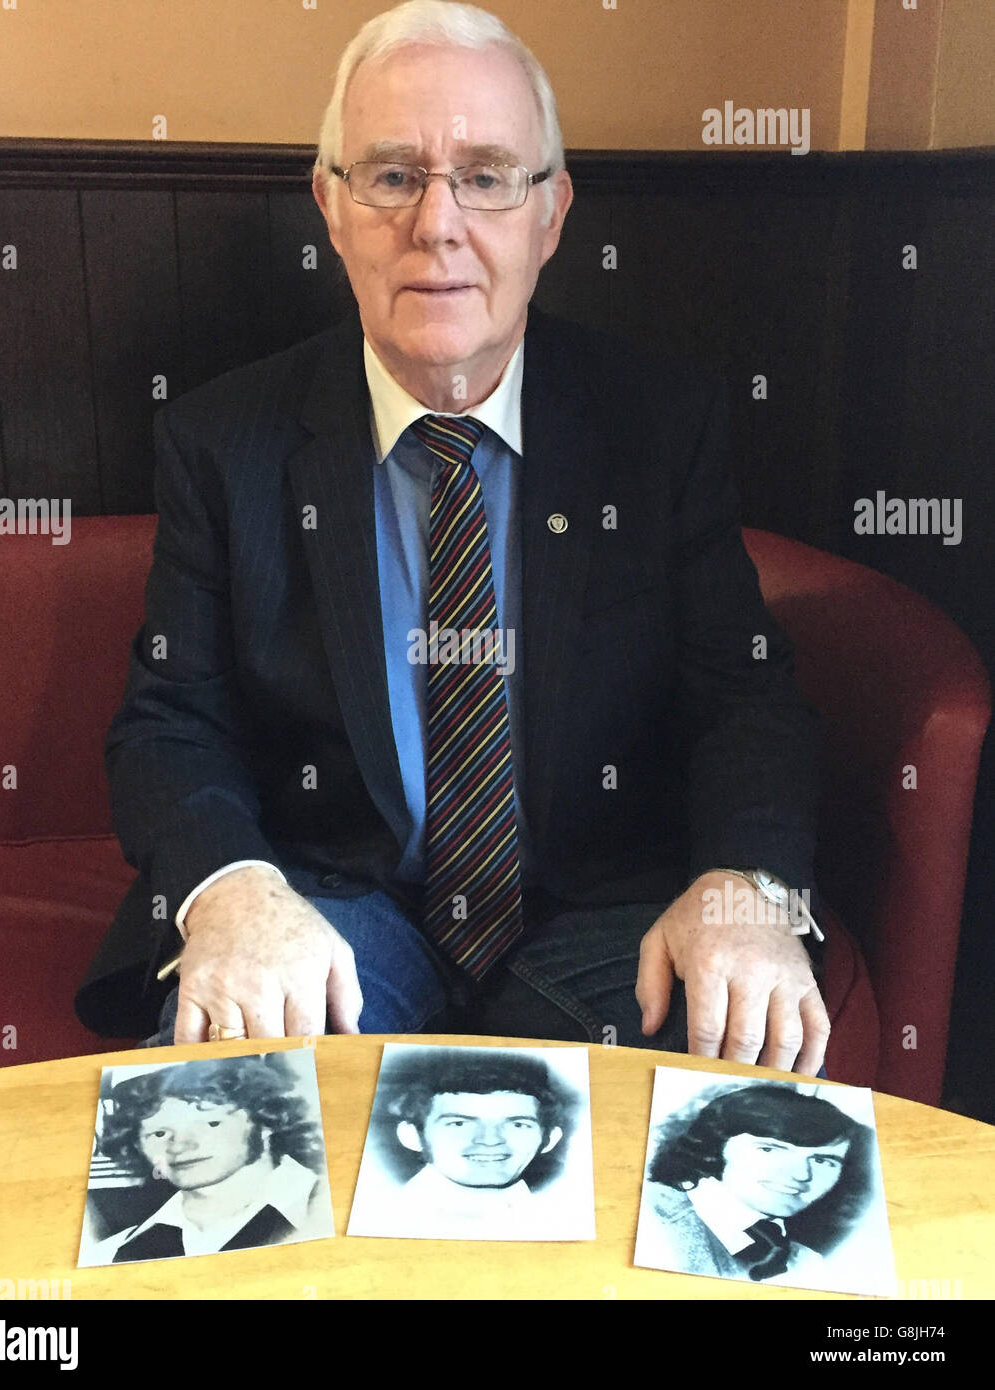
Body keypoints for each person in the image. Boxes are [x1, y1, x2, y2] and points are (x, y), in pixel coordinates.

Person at [76, 0, 827, 1076]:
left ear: (550, 213)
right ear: (331, 206)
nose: (438, 223)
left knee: (732, 1143)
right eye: (392, 175)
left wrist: (744, 887)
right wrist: (233, 891)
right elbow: (170, 721)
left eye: (485, 175)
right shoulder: (220, 440)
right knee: (233, 1121)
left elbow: (746, 698)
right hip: (338, 915)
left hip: (604, 918)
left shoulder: (658, 425)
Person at [81, 1056, 332, 1263]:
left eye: (211, 1123)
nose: (180, 1146)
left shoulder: (343, 1205)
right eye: (159, 1132)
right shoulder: (110, 1254)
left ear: (265, 1119)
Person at [638, 1083, 873, 1285]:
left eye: (823, 1160)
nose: (801, 1175)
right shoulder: (649, 1216)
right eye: (769, 1149)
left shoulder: (808, 1263)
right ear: (717, 1144)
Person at [358, 1050, 582, 1238]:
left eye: (517, 1124)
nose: (490, 1140)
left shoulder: (561, 1218)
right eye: (459, 1123)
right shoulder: (380, 1218)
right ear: (412, 1136)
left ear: (550, 1139)